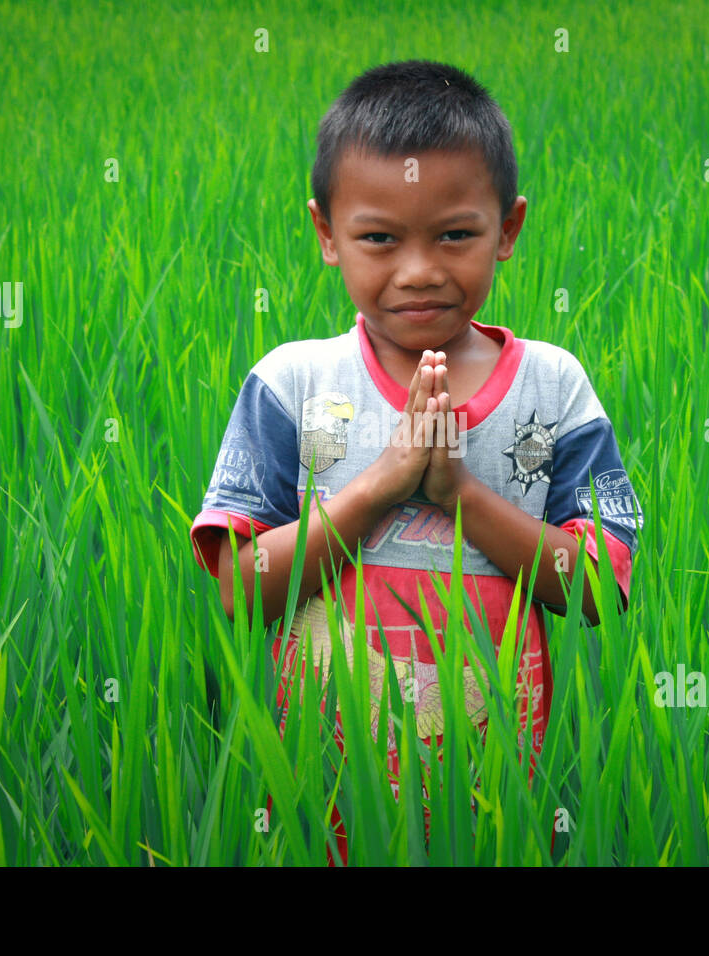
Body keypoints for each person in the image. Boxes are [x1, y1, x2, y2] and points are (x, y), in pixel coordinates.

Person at [189, 59, 644, 864]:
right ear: (326, 235)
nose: (420, 269)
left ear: (509, 229)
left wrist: (460, 491)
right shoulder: (293, 383)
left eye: (456, 235)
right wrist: (381, 487)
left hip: (494, 791)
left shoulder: (554, 386)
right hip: (317, 791)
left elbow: (600, 586)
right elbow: (238, 587)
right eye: (379, 238)